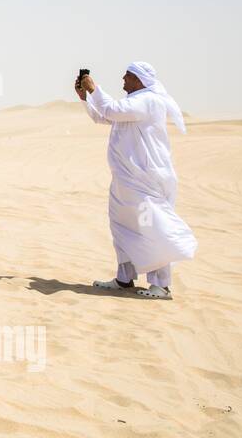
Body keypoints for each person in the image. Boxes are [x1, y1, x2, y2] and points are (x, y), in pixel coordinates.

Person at [77, 62, 197, 298]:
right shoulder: (133, 104)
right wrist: (85, 97)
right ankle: (124, 279)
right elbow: (103, 116)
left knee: (154, 228)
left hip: (147, 179)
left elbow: (111, 109)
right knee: (123, 227)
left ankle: (161, 285)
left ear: (139, 79)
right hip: (126, 180)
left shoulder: (148, 100)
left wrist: (94, 88)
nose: (122, 78)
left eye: (128, 75)